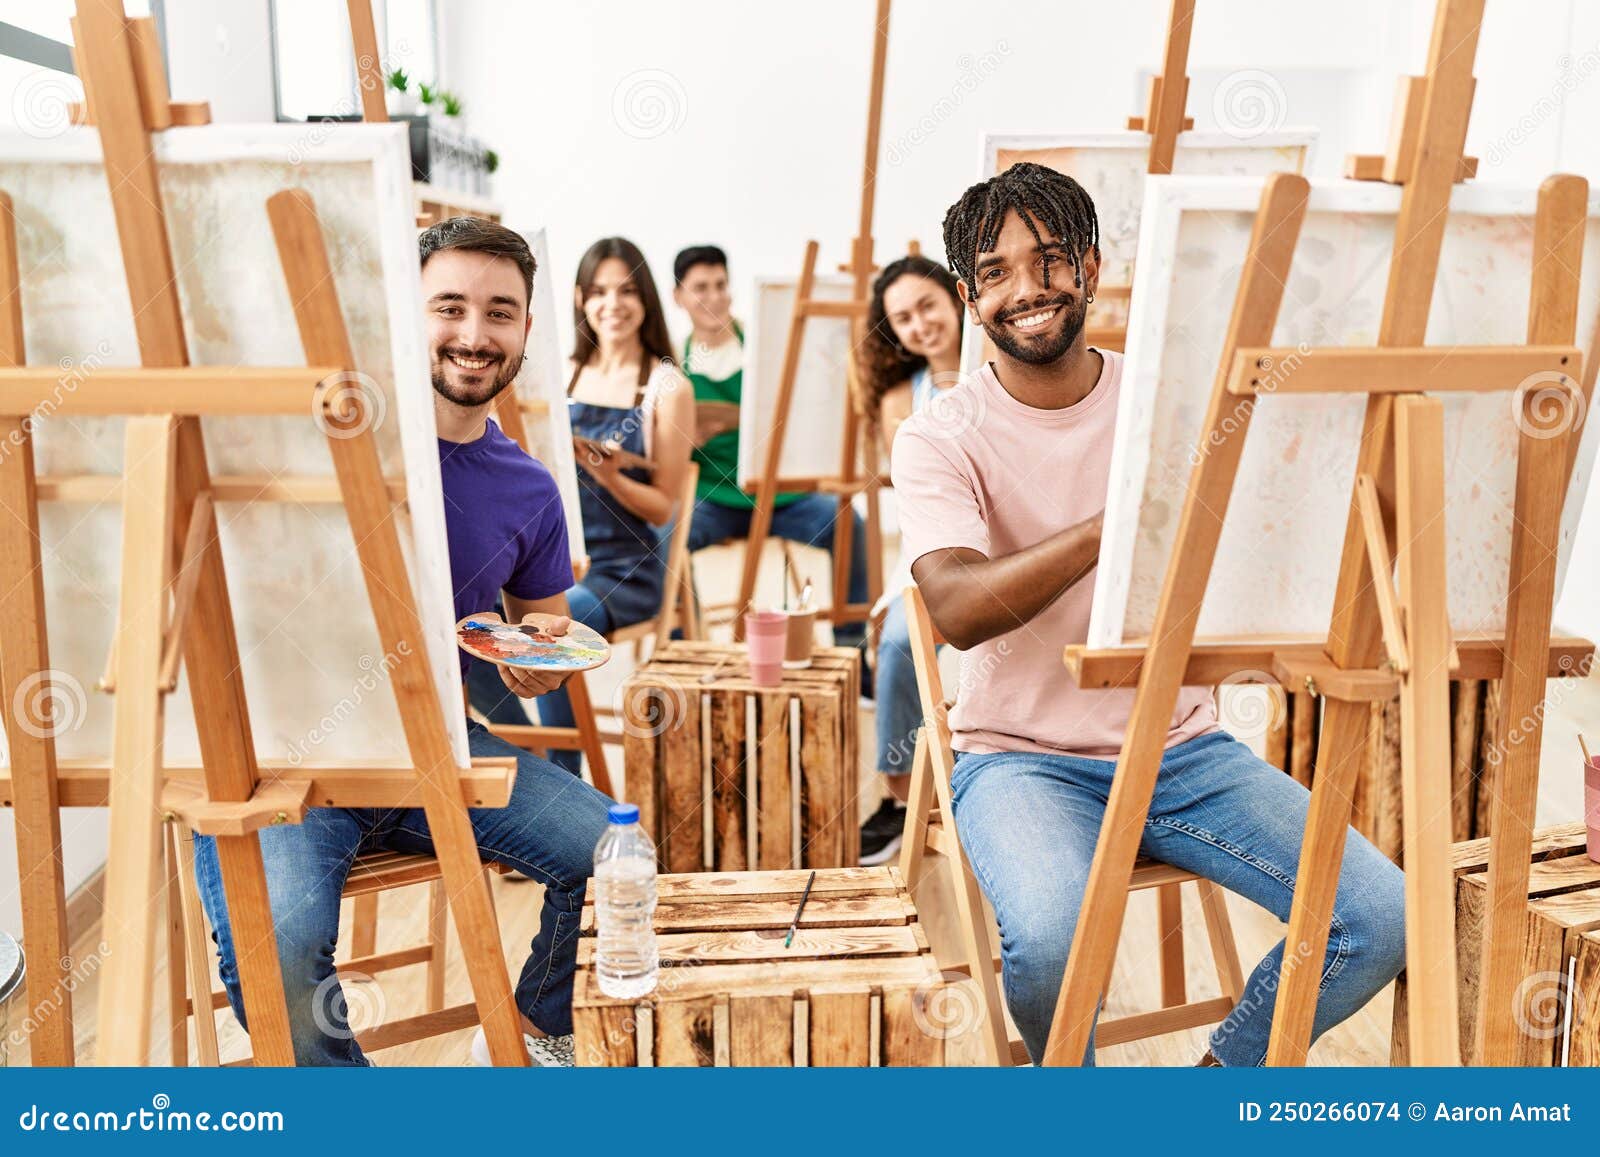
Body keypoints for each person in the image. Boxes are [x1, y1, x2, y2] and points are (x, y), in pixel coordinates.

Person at [891, 162, 1407, 1065]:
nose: (1027, 289)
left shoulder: (1173, 399)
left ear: (1090, 267)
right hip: (1021, 761)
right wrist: (1115, 522)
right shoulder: (939, 433)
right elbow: (959, 609)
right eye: (997, 272)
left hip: (1182, 748)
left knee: (1379, 914)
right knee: (1053, 942)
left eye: (1050, 259)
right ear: (972, 298)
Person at [193, 216, 614, 1067]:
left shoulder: (529, 488)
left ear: (527, 329)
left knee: (613, 854)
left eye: (499, 312)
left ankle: (535, 1031)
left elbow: (541, 625)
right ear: (403, 314)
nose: (474, 334)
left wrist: (535, 659)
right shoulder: (320, 445)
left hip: (436, 750)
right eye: (448, 306)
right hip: (284, 760)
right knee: (280, 948)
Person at [467, 237, 694, 774]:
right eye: (599, 292)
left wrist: (608, 475)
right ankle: (528, 749)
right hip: (545, 559)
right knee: (468, 625)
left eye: (626, 291)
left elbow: (663, 508)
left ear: (646, 299)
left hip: (622, 569)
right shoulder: (555, 373)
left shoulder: (667, 387)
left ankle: (562, 769)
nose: (613, 304)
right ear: (579, 299)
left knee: (547, 630)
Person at [672, 245, 869, 657]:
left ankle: (853, 646)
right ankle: (682, 647)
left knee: (850, 524)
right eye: (701, 288)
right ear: (679, 298)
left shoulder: (765, 348)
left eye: (721, 285)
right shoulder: (674, 362)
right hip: (712, 498)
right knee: (667, 538)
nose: (714, 297)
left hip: (778, 495)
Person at [853, 254, 964, 864]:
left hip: (1018, 547)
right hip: (932, 548)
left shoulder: (1009, 369)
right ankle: (900, 798)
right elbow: (921, 492)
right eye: (903, 318)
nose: (920, 324)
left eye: (928, 306)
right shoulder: (900, 398)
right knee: (897, 640)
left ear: (957, 298)